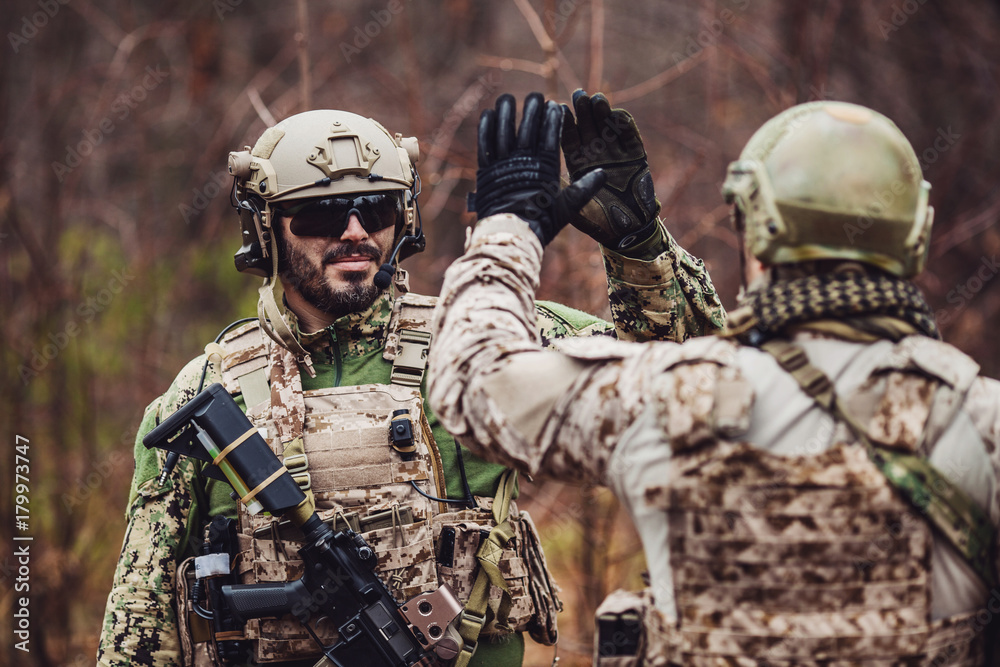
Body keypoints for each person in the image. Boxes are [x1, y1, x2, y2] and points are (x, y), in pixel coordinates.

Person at [97, 99, 724, 667]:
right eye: (319, 214)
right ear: (266, 227)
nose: (353, 232)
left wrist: (641, 249)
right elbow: (140, 617)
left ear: (404, 217)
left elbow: (694, 398)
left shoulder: (482, 340)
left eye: (374, 208)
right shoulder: (208, 390)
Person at [429, 95, 1000, 665]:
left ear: (754, 234)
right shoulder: (983, 422)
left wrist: (509, 227)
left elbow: (474, 381)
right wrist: (640, 249)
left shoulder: (669, 401)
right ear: (916, 237)